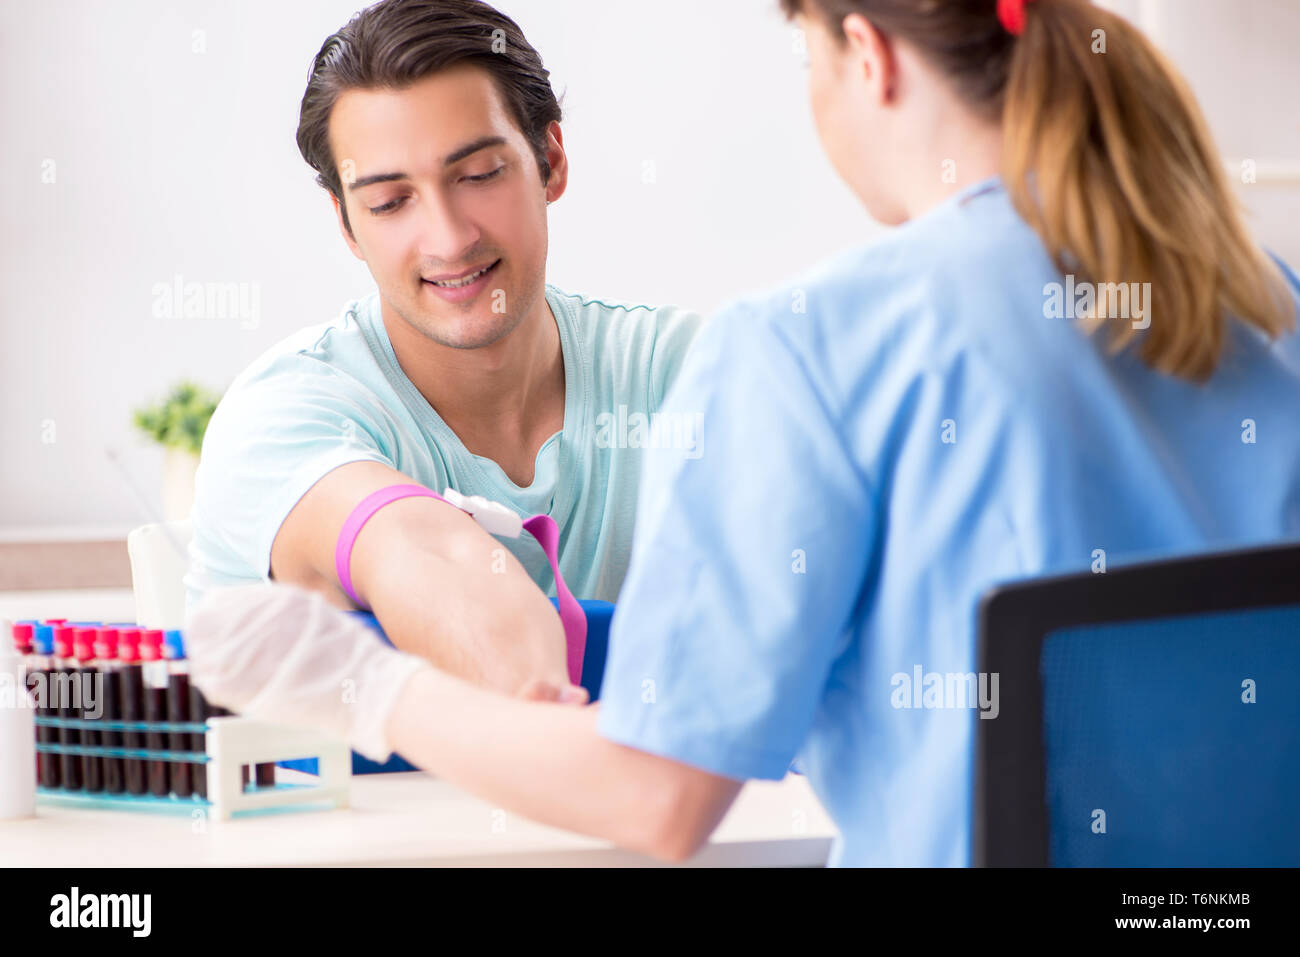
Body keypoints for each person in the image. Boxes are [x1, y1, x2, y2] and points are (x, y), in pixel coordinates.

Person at [185, 0, 1300, 864]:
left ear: (865, 54)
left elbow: (657, 799)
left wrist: (367, 686)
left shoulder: (811, 350)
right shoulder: (1266, 302)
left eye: (806, 58)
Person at [184, 0, 702, 695]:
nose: (450, 238)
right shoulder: (282, 418)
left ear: (549, 160)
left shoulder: (678, 372)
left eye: (479, 174)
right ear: (346, 222)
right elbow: (416, 551)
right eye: (391, 201)